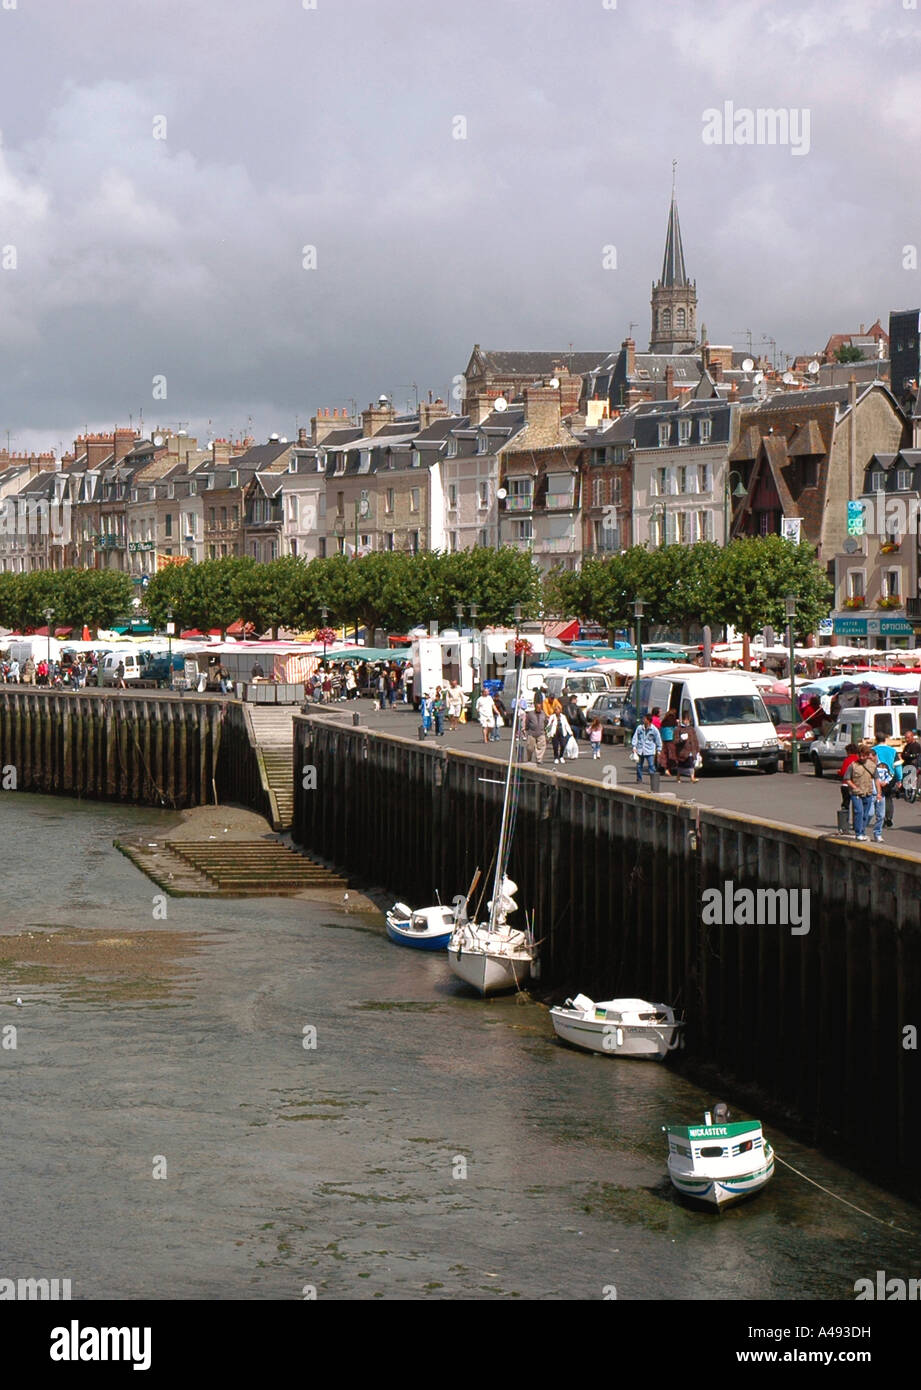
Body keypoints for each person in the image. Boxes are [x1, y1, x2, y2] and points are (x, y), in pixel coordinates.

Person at [845, 743, 881, 843]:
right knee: (858, 812)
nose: (861, 757)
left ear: (867, 755)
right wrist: (854, 787)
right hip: (856, 793)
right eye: (860, 755)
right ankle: (858, 833)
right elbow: (847, 779)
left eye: (864, 755)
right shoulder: (853, 765)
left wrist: (878, 793)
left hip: (868, 793)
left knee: (865, 814)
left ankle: (863, 831)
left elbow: (877, 779)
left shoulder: (872, 766)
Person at [872, 738, 900, 828]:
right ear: (885, 740)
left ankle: (880, 817)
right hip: (889, 777)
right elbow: (897, 765)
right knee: (888, 798)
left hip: (877, 776)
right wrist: (899, 778)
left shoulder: (873, 750)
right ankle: (889, 818)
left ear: (876, 740)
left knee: (879, 796)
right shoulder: (892, 750)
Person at [631, 713, 662, 785]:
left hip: (649, 750)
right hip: (640, 749)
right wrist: (634, 746)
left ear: (649, 721)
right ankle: (639, 779)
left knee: (651, 765)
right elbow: (635, 737)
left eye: (645, 719)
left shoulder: (654, 729)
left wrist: (659, 749)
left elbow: (658, 739)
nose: (643, 720)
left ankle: (653, 780)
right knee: (639, 765)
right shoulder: (639, 728)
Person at [674, 714, 700, 783]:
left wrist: (697, 749)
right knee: (681, 764)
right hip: (682, 750)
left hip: (691, 750)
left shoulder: (691, 728)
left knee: (691, 764)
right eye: (685, 720)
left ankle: (692, 777)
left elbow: (695, 739)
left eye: (687, 720)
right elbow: (675, 741)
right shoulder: (678, 729)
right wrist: (681, 739)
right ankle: (678, 777)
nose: (686, 721)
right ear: (682, 720)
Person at [659, 708, 678, 776]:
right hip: (671, 739)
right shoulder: (673, 721)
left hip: (664, 739)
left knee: (665, 754)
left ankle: (665, 768)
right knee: (672, 754)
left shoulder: (664, 721)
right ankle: (670, 769)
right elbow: (676, 730)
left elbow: (660, 730)